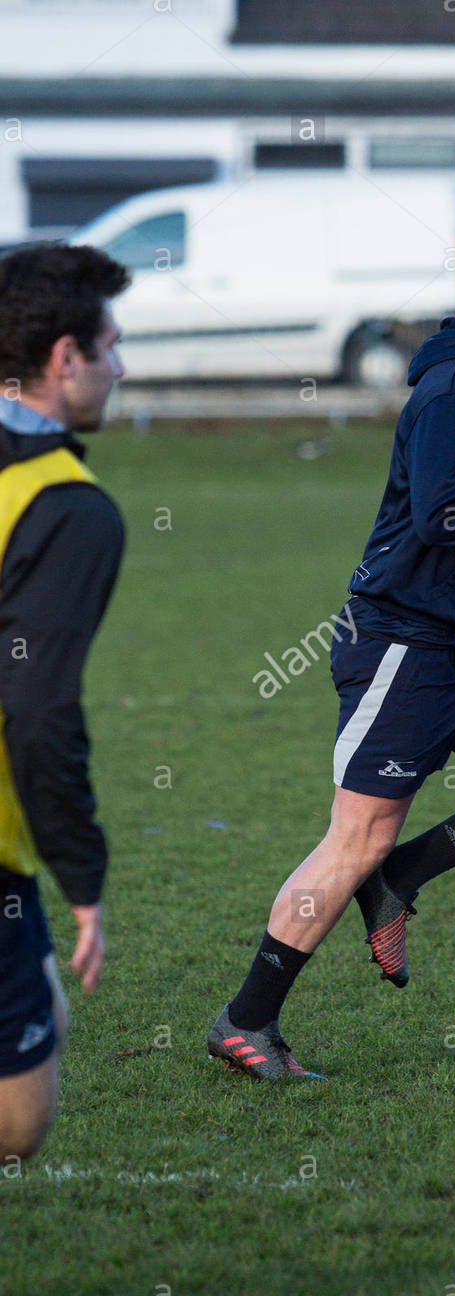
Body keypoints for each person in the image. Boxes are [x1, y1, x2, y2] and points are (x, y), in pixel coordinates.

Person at [208, 213, 455, 1081]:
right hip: (403, 644)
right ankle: (247, 1021)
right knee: (351, 840)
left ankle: (403, 877)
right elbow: (443, 513)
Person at [0, 243, 128, 1157]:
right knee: (20, 1123)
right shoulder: (69, 506)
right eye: (111, 345)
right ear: (64, 359)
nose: (119, 368)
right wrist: (80, 875)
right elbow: (39, 711)